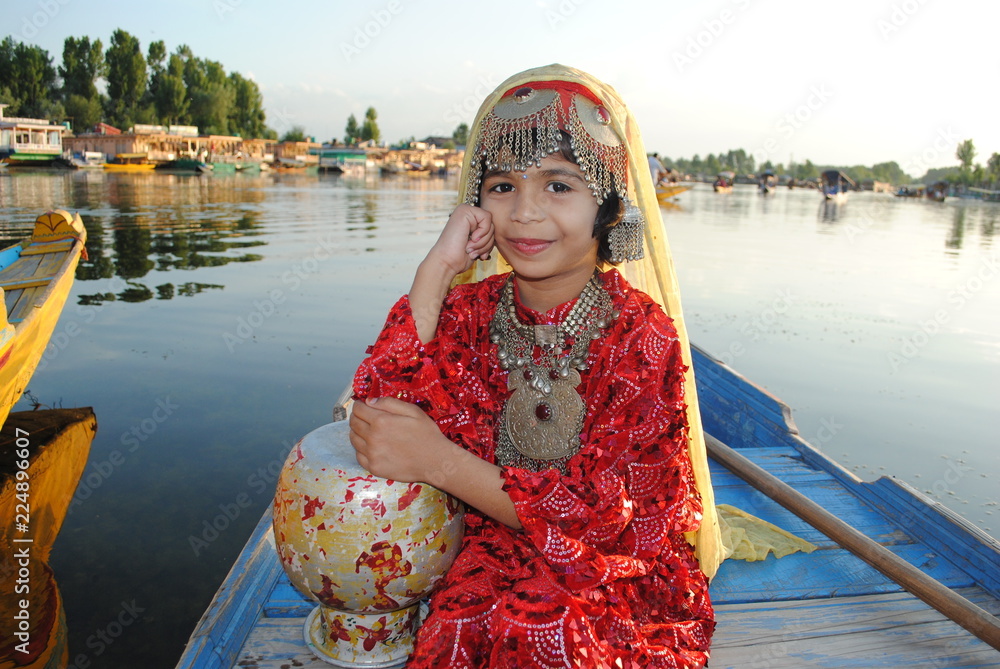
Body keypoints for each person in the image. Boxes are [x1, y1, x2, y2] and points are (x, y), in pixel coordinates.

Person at [349, 64, 720, 668]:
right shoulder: (468, 311)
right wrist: (437, 269)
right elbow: (379, 407)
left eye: (558, 186)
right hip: (490, 542)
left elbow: (607, 519)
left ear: (607, 208)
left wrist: (441, 460)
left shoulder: (641, 334)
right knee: (466, 617)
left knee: (556, 632)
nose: (524, 213)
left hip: (611, 567)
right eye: (502, 187)